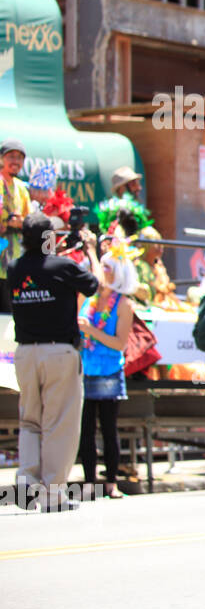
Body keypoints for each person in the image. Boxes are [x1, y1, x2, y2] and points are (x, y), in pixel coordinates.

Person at [10, 212, 103, 510]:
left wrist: (58, 251)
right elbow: (94, 284)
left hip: (25, 353)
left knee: (30, 421)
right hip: (58, 352)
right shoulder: (63, 266)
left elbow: (42, 267)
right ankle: (52, 494)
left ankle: (26, 487)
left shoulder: (14, 268)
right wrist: (90, 251)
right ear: (48, 238)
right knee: (59, 423)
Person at [77, 240, 139, 499]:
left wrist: (90, 330)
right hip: (84, 369)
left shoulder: (123, 304)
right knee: (85, 428)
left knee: (109, 427)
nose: (101, 272)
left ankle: (111, 481)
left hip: (109, 372)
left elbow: (119, 344)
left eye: (108, 268)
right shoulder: (87, 298)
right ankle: (89, 481)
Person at [0, 139, 33, 314]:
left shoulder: (21, 188)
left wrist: (22, 223)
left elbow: (31, 221)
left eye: (20, 158)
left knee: (11, 314)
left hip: (13, 262)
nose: (15, 161)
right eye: (11, 156)